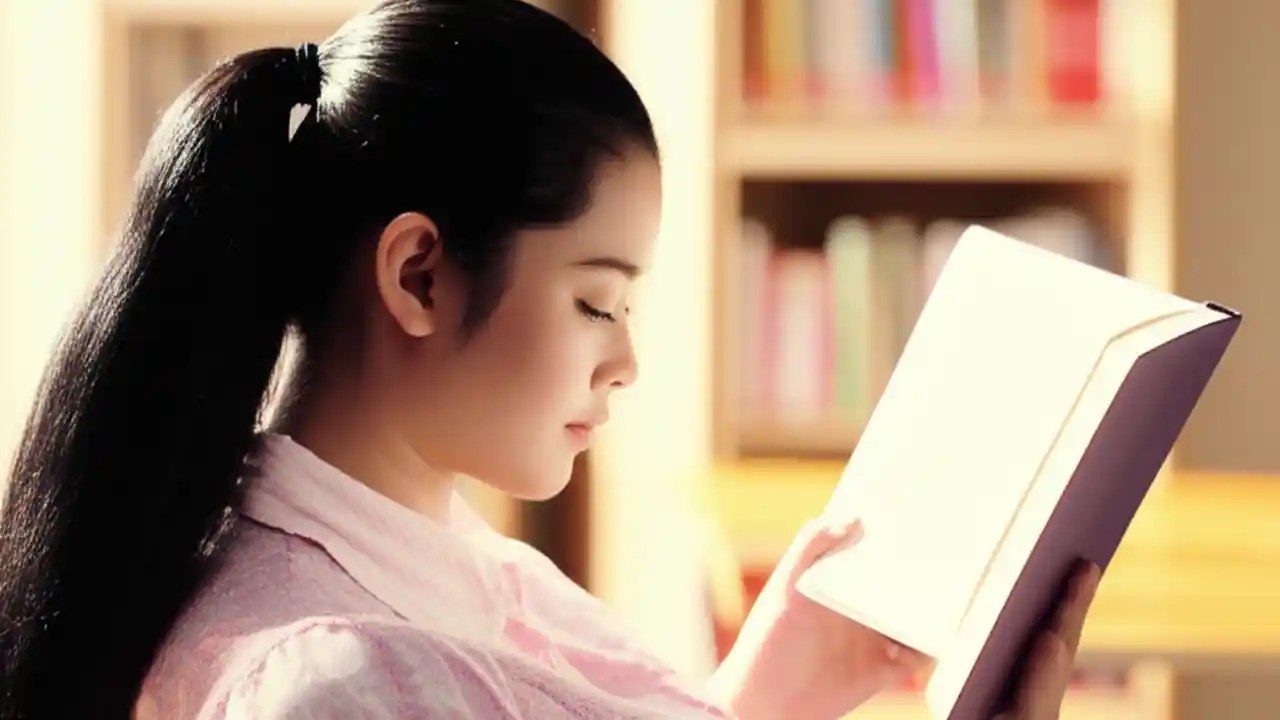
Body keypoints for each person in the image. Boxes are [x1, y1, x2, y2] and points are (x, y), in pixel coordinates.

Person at [0, 1, 1101, 718]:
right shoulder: (334, 677)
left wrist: (777, 686)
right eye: (594, 301)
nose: (624, 362)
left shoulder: (431, 557)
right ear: (419, 274)